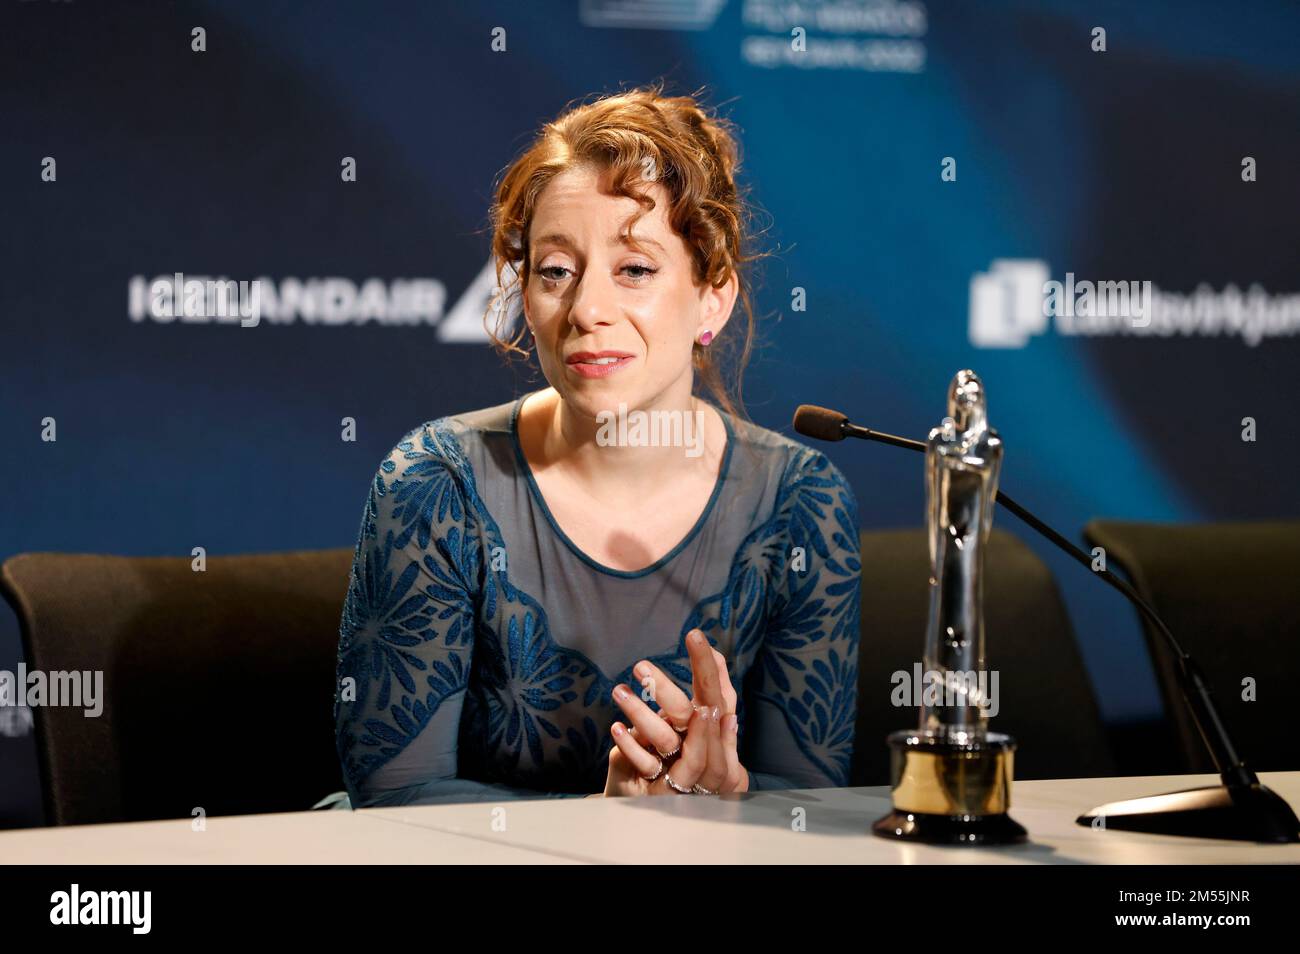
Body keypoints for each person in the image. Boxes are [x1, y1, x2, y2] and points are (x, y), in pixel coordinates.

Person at [326, 82, 861, 809]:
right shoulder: (435, 481)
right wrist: (608, 824)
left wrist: (729, 791)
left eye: (634, 270)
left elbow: (810, 801)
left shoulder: (803, 501)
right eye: (555, 272)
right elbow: (395, 795)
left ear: (714, 297)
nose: (586, 310)